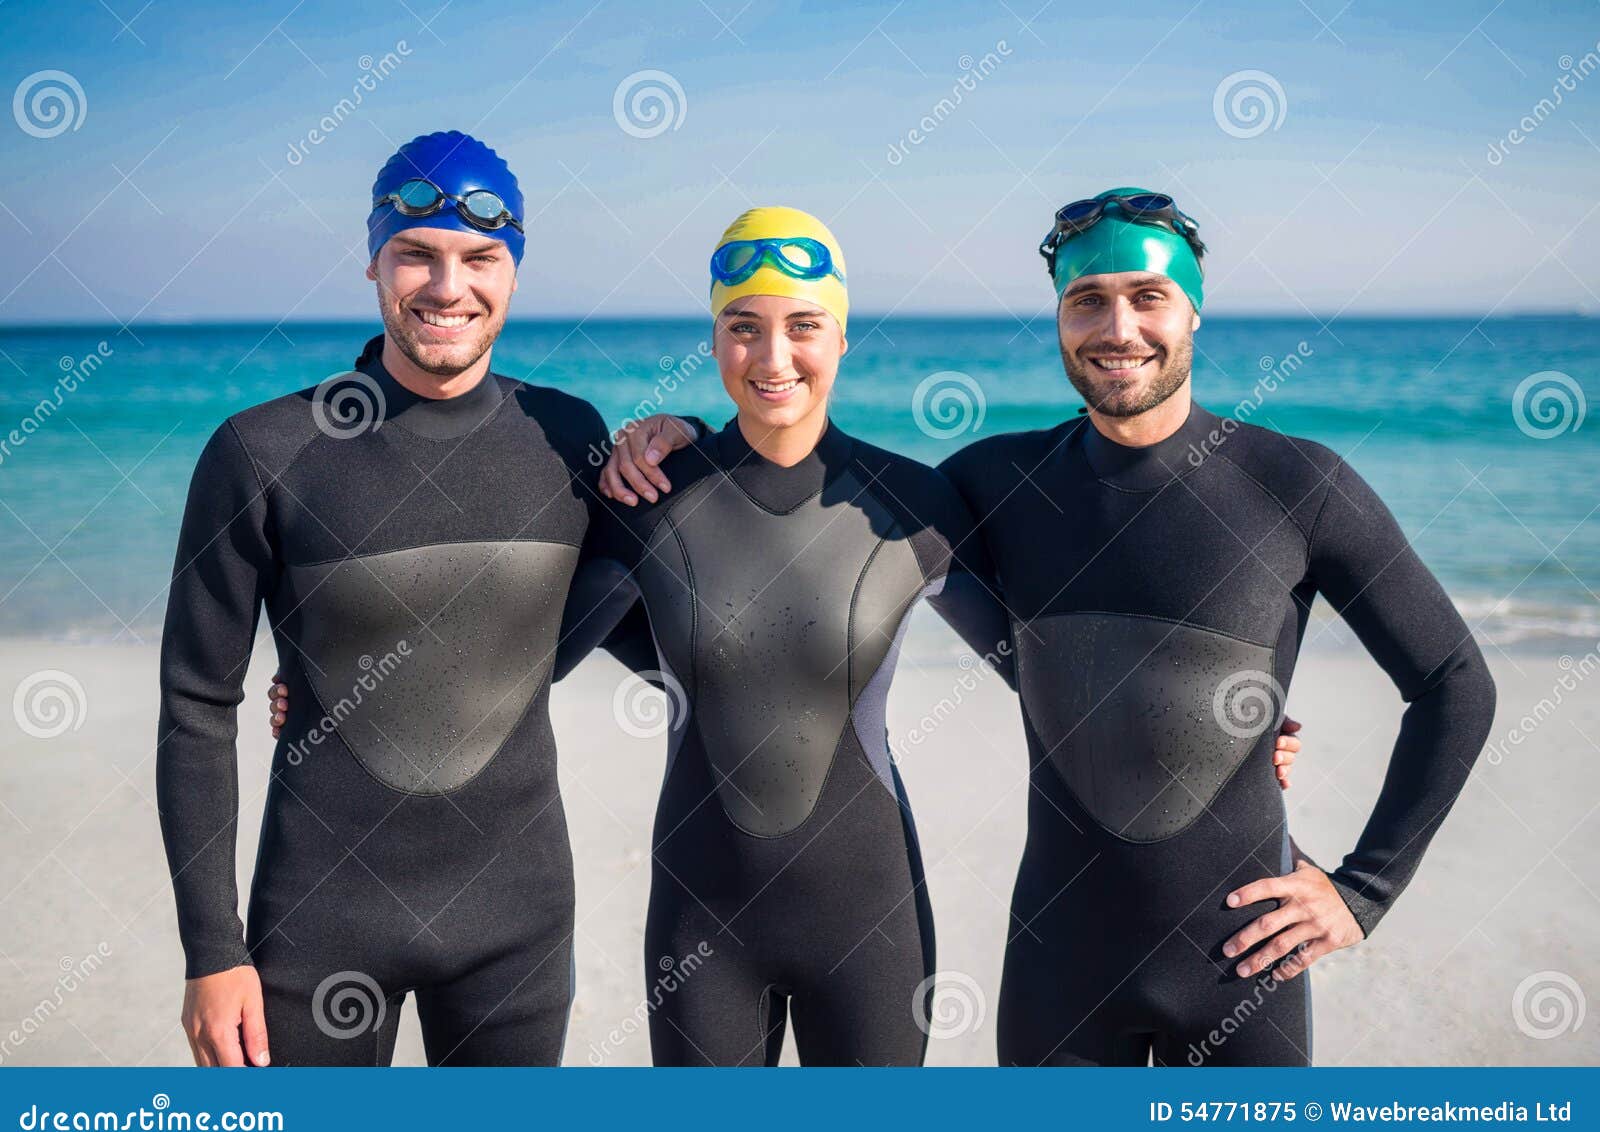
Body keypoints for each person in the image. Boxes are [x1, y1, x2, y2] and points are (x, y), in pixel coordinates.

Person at [600, 188, 1493, 1066]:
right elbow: (778, 568)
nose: (1118, 327)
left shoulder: (1297, 485)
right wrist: (686, 438)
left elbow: (1454, 678)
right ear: (1059, 318)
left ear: (1194, 312)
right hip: (1058, 972)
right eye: (1087, 300)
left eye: (1148, 298)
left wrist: (1363, 888)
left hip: (1243, 966)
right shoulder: (994, 485)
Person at [157, 131, 627, 1066]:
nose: (448, 286)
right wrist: (212, 950)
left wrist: (683, 439)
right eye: (417, 253)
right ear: (373, 258)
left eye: (480, 258)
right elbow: (196, 704)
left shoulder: (567, 435)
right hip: (319, 921)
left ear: (515, 271)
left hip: (518, 925)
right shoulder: (265, 451)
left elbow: (617, 605)